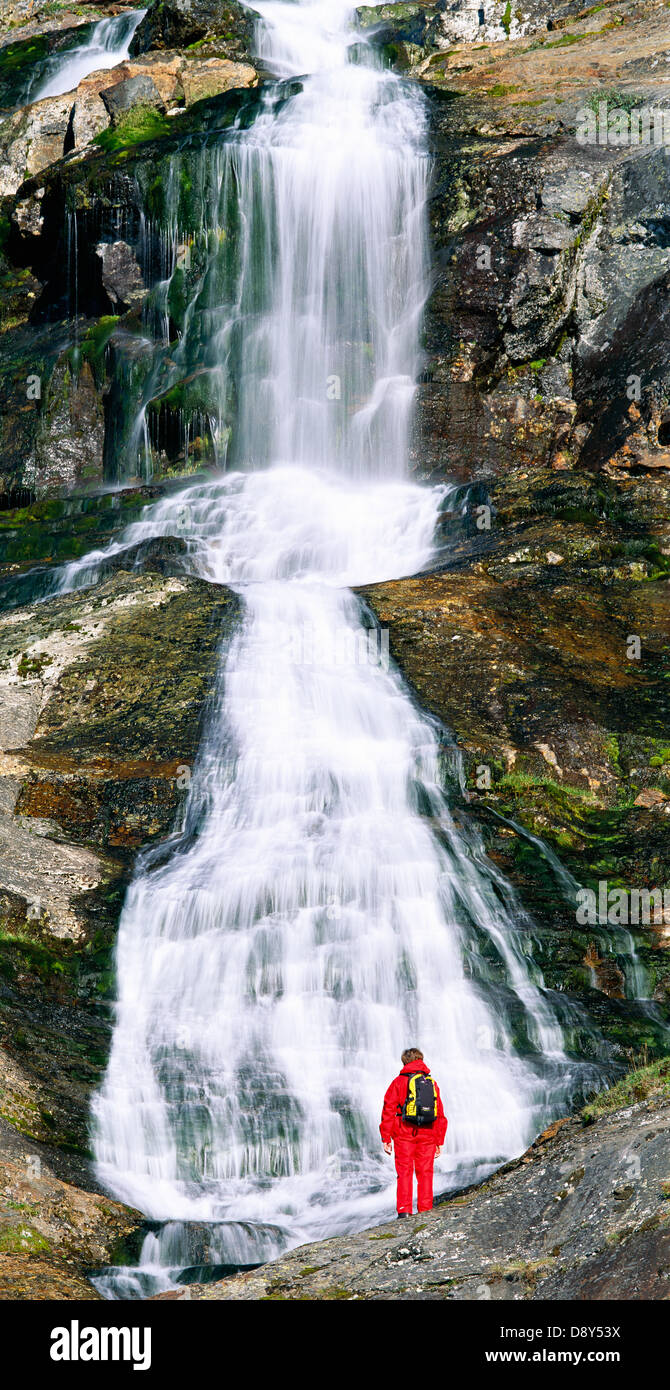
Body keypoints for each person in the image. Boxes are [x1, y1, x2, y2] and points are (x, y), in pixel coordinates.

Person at [380, 1047, 447, 1217]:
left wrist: (385, 1137)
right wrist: (439, 1140)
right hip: (428, 1133)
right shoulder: (431, 1083)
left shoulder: (398, 1082)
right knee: (425, 1173)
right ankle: (425, 1210)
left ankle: (404, 1212)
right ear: (421, 1060)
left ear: (404, 1062)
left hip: (404, 1133)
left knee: (405, 1172)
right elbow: (439, 1113)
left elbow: (388, 1109)